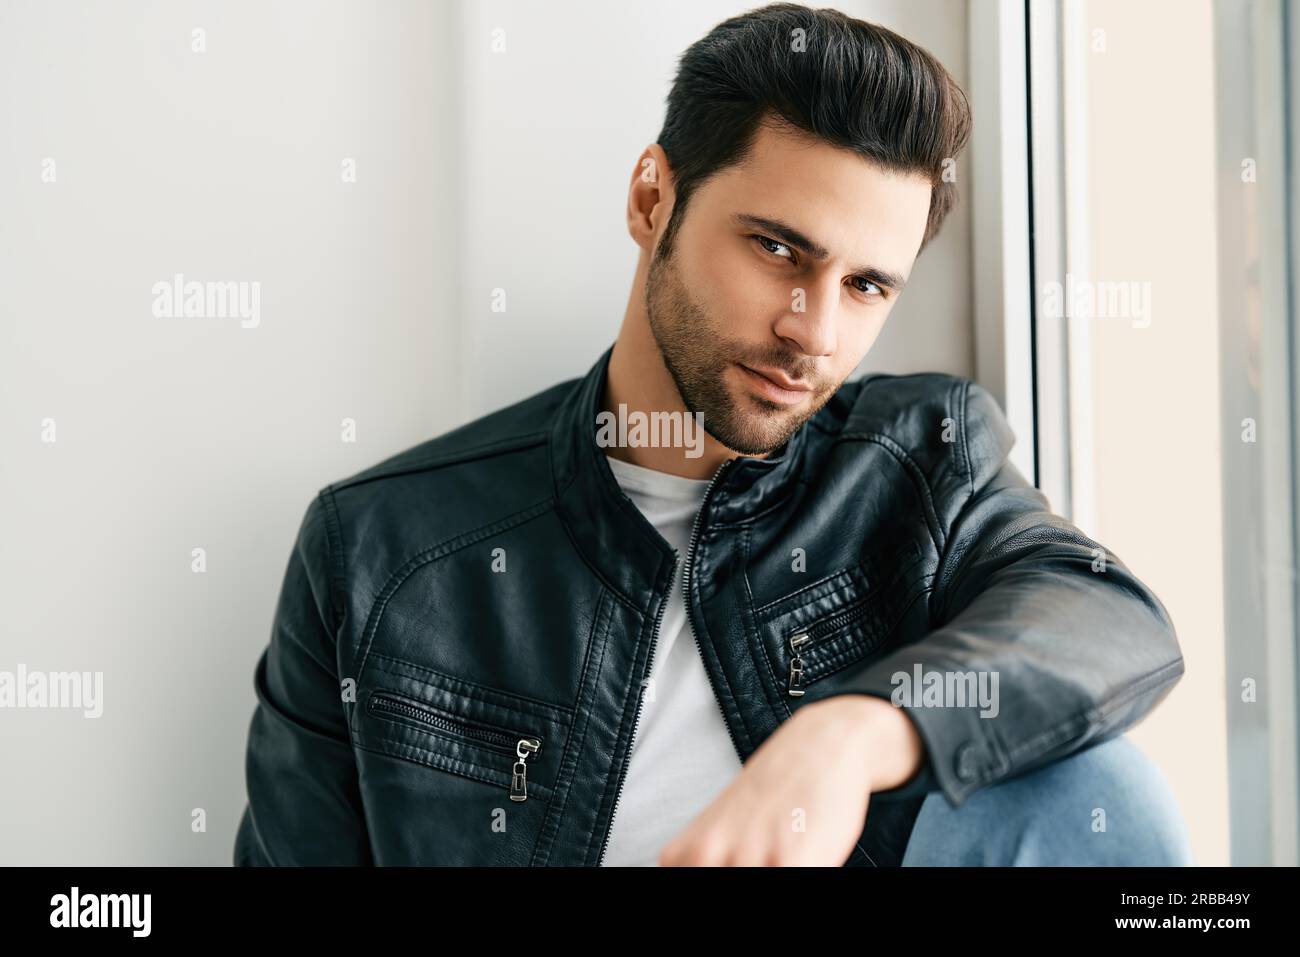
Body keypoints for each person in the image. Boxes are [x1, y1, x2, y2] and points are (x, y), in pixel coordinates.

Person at [234, 2, 1191, 867]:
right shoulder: (380, 550)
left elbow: (1104, 617)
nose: (814, 333)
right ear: (652, 200)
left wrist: (854, 733)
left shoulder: (919, 460)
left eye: (866, 285)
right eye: (778, 249)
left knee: (1098, 791)